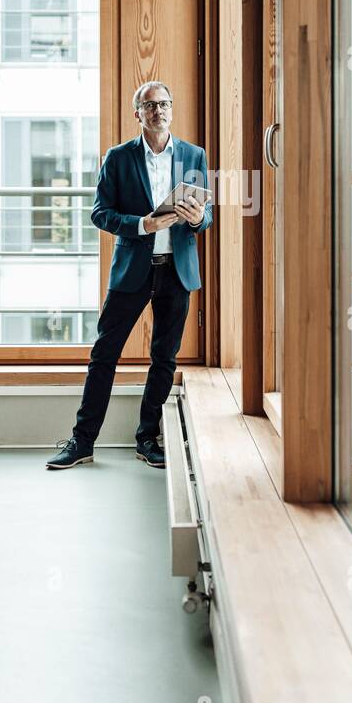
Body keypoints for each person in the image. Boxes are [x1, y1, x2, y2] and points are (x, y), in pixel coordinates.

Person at [46, 80, 212, 470]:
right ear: (137, 113)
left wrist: (200, 218)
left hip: (177, 272)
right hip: (131, 271)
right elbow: (100, 213)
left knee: (164, 359)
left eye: (165, 103)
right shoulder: (118, 157)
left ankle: (147, 439)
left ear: (173, 109)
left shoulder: (194, 154)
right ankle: (82, 442)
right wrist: (141, 225)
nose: (158, 111)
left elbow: (207, 215)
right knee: (104, 355)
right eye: (150, 105)